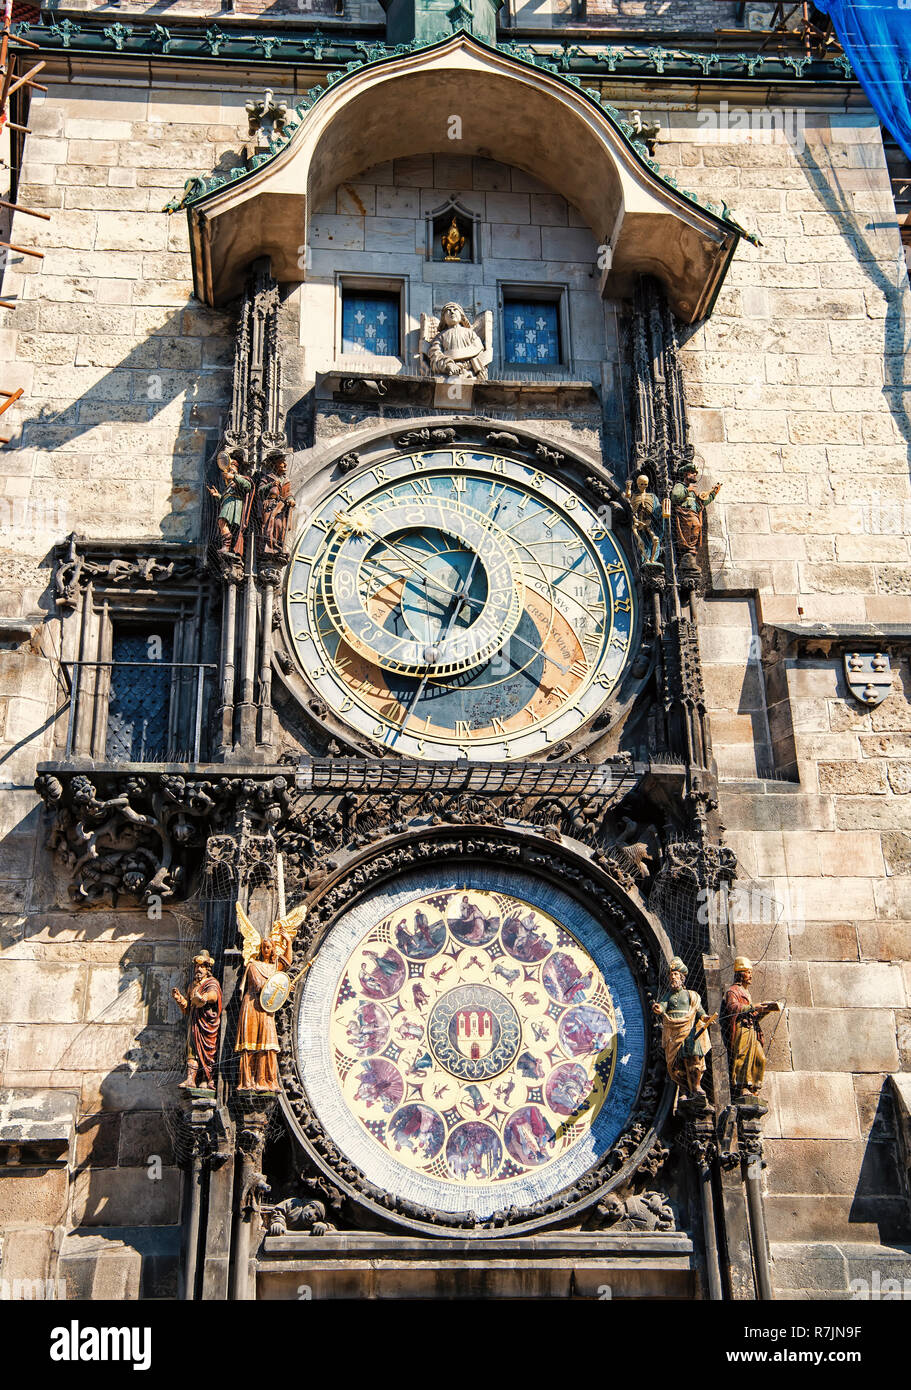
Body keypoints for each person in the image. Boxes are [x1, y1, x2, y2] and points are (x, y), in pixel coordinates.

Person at [652, 956, 715, 1097]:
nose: (673, 977)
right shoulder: (668, 996)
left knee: (694, 1058)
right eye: (671, 975)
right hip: (674, 1031)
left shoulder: (690, 995)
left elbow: (699, 1011)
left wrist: (705, 1018)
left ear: (681, 977)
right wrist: (659, 1008)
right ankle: (684, 1089)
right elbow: (662, 1006)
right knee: (677, 1063)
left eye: (675, 975)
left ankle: (696, 1087)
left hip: (689, 1030)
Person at [235, 933, 290, 1091]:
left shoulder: (274, 967)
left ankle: (266, 1081)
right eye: (263, 947)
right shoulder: (253, 965)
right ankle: (247, 1081)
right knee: (250, 1043)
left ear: (273, 949)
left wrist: (288, 941)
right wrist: (279, 987)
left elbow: (288, 961)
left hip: (266, 1008)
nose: (266, 949)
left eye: (269, 947)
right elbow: (260, 986)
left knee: (268, 1043)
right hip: (252, 1005)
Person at [721, 956, 780, 1097]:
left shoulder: (746, 992)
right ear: (741, 974)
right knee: (743, 1056)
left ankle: (754, 1086)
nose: (750, 975)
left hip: (752, 1028)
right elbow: (732, 1007)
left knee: (760, 1058)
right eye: (748, 972)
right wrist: (753, 1007)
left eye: (750, 972)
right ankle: (743, 1086)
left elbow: (751, 1012)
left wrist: (764, 1010)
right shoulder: (733, 991)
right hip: (742, 1028)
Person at [172, 950, 222, 1090]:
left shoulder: (211, 982)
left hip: (206, 1022)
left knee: (208, 1051)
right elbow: (187, 1008)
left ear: (207, 969)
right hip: (194, 1022)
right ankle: (190, 1079)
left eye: (202, 967)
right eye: (196, 967)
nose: (198, 969)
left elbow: (214, 995)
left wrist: (205, 997)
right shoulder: (192, 985)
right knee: (192, 1050)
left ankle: (206, 1079)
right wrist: (180, 1000)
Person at [427, 302, 488, 380]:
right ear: (444, 318)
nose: (452, 312)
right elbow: (435, 355)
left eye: (455, 309)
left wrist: (477, 369)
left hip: (469, 374)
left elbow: (480, 352)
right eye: (448, 310)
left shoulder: (470, 333)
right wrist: (449, 365)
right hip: (448, 374)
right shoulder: (440, 336)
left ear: (461, 315)